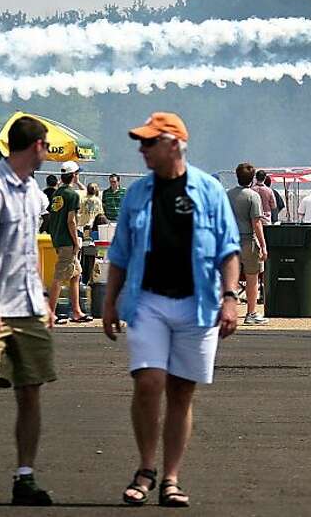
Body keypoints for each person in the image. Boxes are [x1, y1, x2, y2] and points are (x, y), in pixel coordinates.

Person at [101, 112, 240, 508]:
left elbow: (229, 249)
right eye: (141, 143)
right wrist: (109, 301)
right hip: (148, 301)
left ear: (174, 144)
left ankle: (171, 478)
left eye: (149, 142)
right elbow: (120, 254)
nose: (141, 150)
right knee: (149, 381)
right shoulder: (137, 193)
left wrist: (231, 298)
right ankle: (146, 468)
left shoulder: (209, 190)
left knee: (181, 391)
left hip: (199, 303)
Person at [0, 115, 57, 506]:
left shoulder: (32, 190)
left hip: (28, 305)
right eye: (47, 146)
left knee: (31, 389)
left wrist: (43, 300)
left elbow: (27, 252)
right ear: (36, 145)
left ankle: (25, 476)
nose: (49, 153)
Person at [45, 161, 89, 324]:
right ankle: (50, 313)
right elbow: (71, 221)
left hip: (58, 238)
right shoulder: (72, 195)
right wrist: (75, 242)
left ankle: (77, 311)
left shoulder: (57, 194)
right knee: (59, 276)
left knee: (76, 274)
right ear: (75, 175)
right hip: (67, 241)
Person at [226, 162, 268, 325]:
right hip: (248, 241)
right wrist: (263, 246)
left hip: (230, 241)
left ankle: (228, 312)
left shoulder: (228, 195)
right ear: (252, 178)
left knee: (231, 279)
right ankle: (251, 313)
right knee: (252, 278)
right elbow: (256, 222)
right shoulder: (253, 196)